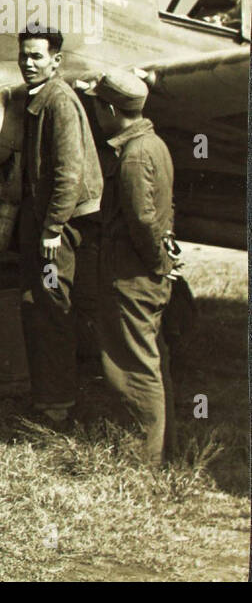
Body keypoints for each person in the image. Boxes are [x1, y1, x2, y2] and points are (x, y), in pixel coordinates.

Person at [85, 71, 177, 465]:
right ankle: (159, 447)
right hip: (143, 272)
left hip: (133, 275)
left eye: (96, 104)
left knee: (133, 367)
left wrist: (157, 262)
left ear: (108, 108)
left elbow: (142, 219)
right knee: (150, 358)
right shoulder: (152, 144)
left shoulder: (134, 155)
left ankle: (142, 458)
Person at [15, 27, 103, 427]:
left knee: (52, 307)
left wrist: (52, 228)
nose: (28, 63)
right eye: (24, 56)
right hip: (52, 220)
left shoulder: (59, 101)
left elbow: (70, 172)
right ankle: (48, 397)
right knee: (43, 304)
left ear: (56, 61)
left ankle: (57, 407)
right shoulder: (43, 98)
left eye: (36, 56)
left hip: (60, 226)